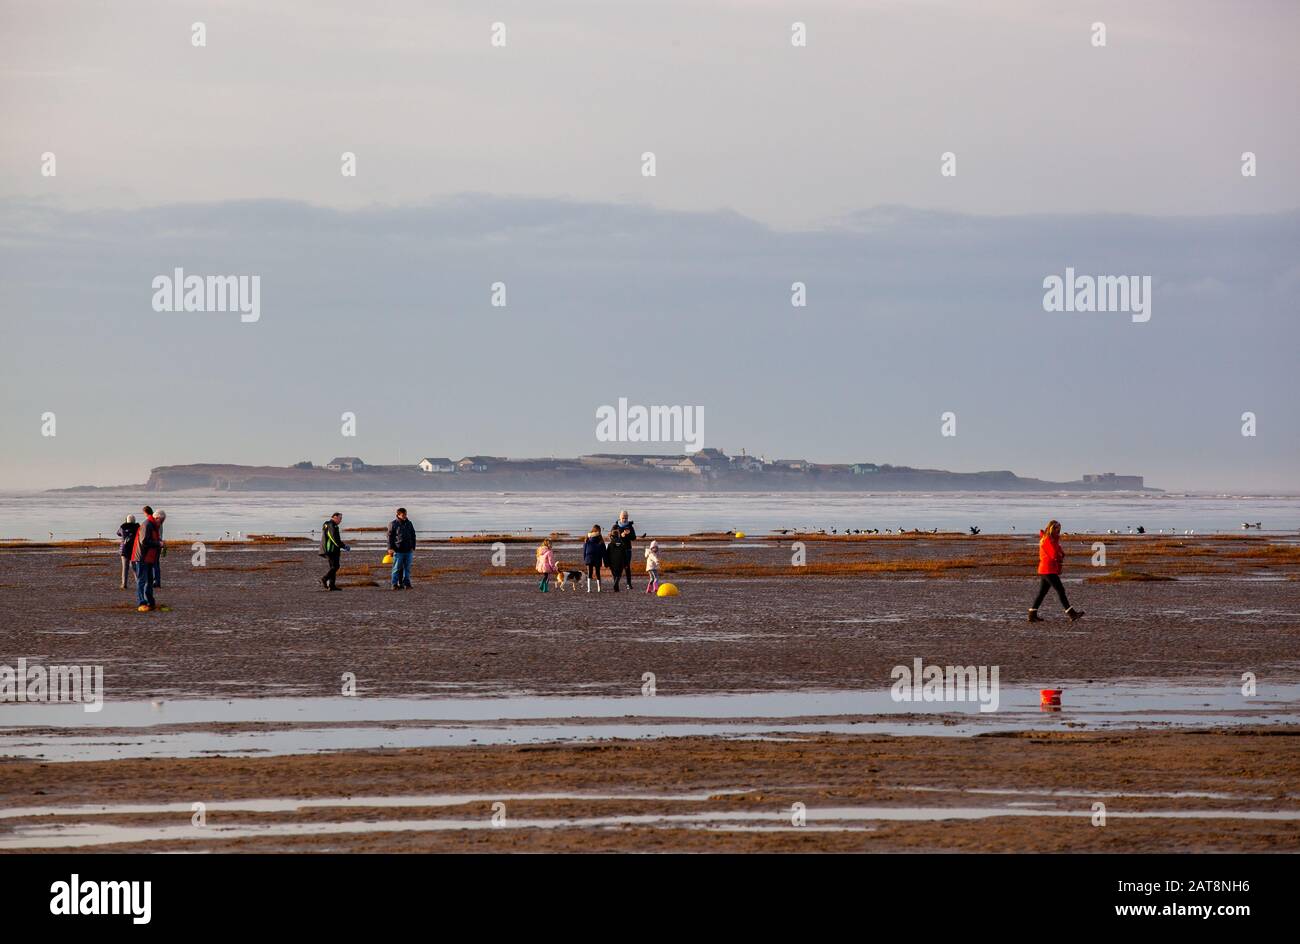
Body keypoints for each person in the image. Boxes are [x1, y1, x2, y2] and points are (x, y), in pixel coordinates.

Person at [1029, 519, 1084, 623]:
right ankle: (1071, 613)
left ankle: (1032, 614)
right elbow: (1054, 554)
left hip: (1047, 569)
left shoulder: (1053, 539)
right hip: (1048, 569)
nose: (1058, 530)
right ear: (1051, 528)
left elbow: (1058, 551)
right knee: (1060, 590)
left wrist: (1061, 554)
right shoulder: (1047, 540)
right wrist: (1059, 556)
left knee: (1042, 593)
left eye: (1059, 528)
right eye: (1056, 528)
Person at [131, 506, 163, 611]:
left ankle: (150, 602)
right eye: (161, 520)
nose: (162, 523)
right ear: (157, 518)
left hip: (149, 558)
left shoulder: (154, 526)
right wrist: (158, 543)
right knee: (141, 581)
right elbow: (144, 541)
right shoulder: (147, 525)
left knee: (149, 580)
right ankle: (141, 603)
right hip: (141, 557)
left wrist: (160, 544)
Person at [386, 507, 416, 590]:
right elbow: (389, 537)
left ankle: (407, 583)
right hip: (398, 550)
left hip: (408, 550)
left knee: (407, 568)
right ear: (398, 515)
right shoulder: (393, 524)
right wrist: (390, 548)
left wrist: (413, 546)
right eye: (403, 515)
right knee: (396, 568)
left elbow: (413, 535)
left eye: (405, 514)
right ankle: (394, 584)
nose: (405, 516)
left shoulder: (409, 523)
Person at [319, 512, 351, 590]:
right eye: (340, 518)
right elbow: (333, 538)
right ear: (335, 517)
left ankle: (332, 585)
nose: (341, 520)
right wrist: (343, 546)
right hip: (330, 550)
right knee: (336, 566)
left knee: (333, 567)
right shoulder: (331, 525)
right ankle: (324, 578)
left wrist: (341, 546)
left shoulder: (333, 525)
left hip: (333, 549)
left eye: (341, 519)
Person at [609, 510, 637, 589]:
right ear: (620, 518)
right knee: (618, 567)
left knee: (627, 566)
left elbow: (634, 537)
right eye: (623, 518)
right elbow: (611, 537)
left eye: (626, 518)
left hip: (627, 549)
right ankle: (616, 583)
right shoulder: (615, 526)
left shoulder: (630, 526)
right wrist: (621, 536)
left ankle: (629, 584)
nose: (624, 519)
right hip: (617, 550)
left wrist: (628, 535)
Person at [116, 515, 139, 590]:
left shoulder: (122, 527)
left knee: (125, 568)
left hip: (124, 550)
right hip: (134, 550)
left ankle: (124, 584)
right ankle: (138, 583)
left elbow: (118, 533)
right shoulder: (137, 527)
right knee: (134, 568)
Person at [605, 527, 630, 593]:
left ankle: (616, 587)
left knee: (614, 575)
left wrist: (606, 563)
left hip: (612, 562)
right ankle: (616, 586)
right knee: (618, 575)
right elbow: (625, 555)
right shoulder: (622, 544)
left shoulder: (610, 545)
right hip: (620, 562)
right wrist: (626, 564)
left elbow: (607, 555)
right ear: (618, 535)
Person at [582, 525, 606, 592]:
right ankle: (599, 589)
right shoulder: (600, 540)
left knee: (589, 573)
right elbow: (604, 552)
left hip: (589, 558)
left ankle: (589, 589)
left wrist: (585, 559)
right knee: (598, 572)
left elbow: (584, 550)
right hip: (597, 558)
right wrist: (606, 561)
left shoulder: (587, 539)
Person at [153, 510, 166, 587]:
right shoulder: (159, 524)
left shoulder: (157, 524)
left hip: (156, 545)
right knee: (156, 564)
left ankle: (156, 581)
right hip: (158, 544)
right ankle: (157, 581)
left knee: (154, 564)